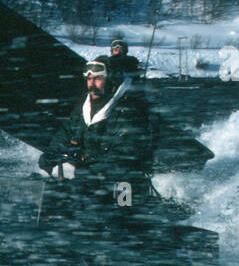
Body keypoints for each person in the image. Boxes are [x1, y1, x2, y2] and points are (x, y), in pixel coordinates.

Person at [39, 59, 156, 187]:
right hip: (89, 178)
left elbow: (123, 157)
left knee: (124, 194)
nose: (92, 84)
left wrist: (88, 172)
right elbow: (65, 133)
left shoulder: (129, 111)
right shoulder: (83, 110)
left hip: (122, 183)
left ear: (111, 80)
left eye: (98, 78)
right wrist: (51, 155)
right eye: (89, 79)